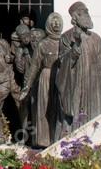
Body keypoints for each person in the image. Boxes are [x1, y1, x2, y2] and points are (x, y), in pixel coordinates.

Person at [54, 2, 101, 137]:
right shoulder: (67, 37)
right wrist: (77, 44)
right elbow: (64, 62)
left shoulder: (96, 38)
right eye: (84, 12)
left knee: (94, 118)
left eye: (87, 12)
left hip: (93, 87)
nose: (87, 15)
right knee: (76, 121)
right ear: (75, 16)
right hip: (76, 86)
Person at [19, 12, 64, 148]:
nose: (56, 24)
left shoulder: (65, 42)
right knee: (44, 108)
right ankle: (43, 140)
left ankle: (59, 138)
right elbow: (34, 67)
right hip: (46, 76)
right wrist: (27, 87)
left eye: (58, 22)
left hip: (61, 77)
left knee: (59, 109)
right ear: (48, 24)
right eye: (53, 22)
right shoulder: (43, 44)